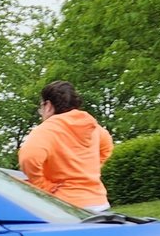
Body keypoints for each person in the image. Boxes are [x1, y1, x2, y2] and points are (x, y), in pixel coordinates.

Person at [17, 81, 114, 211]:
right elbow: (107, 146)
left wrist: (43, 185)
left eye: (41, 107)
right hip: (99, 203)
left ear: (48, 105)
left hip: (66, 207)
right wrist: (92, 168)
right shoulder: (93, 127)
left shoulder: (47, 129)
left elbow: (28, 158)